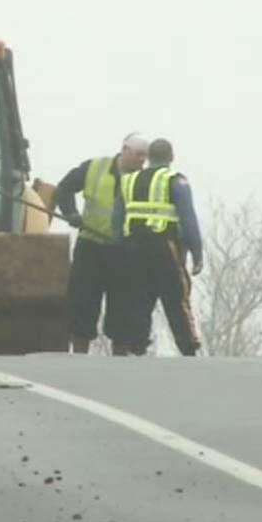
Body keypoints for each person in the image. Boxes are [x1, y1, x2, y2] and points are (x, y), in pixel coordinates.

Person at [54, 132, 149, 354]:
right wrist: (71, 213)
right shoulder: (94, 168)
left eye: (143, 157)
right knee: (83, 302)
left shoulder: (144, 180)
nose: (140, 161)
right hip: (91, 247)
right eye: (137, 155)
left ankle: (120, 353)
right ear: (124, 150)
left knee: (123, 306)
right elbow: (64, 189)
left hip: (125, 251)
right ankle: (79, 350)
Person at [117, 137, 204, 356]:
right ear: (171, 157)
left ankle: (137, 345)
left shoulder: (129, 180)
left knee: (139, 296)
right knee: (176, 296)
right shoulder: (175, 180)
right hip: (164, 245)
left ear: (148, 158)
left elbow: (116, 218)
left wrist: (121, 245)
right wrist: (197, 252)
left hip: (133, 246)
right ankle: (187, 346)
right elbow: (188, 217)